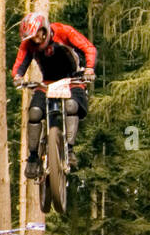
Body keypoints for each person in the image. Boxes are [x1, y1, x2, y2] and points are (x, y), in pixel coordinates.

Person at [11, 12, 97, 177]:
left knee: (72, 106)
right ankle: (33, 157)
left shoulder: (63, 32)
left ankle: (69, 150)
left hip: (73, 79)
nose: (35, 40)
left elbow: (88, 48)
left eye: (37, 35)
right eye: (31, 37)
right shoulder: (28, 44)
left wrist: (89, 68)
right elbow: (20, 64)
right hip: (47, 83)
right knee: (35, 112)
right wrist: (18, 77)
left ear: (44, 29)